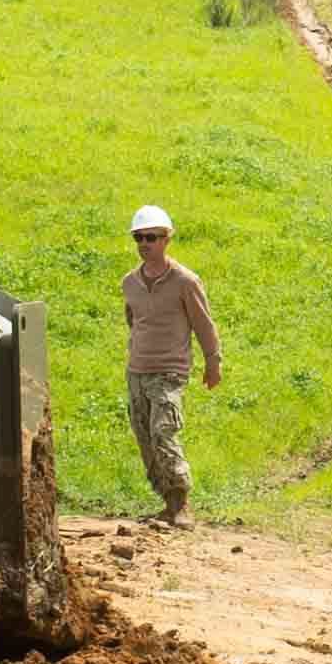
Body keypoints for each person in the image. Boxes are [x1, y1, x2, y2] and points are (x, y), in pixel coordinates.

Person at [119, 203, 222, 522]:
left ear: (167, 239)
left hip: (170, 371)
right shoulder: (129, 283)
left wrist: (212, 361)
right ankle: (166, 501)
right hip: (137, 370)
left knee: (164, 432)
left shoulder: (185, 281)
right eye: (139, 238)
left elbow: (204, 324)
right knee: (145, 437)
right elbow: (133, 321)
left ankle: (181, 504)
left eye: (151, 237)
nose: (145, 245)